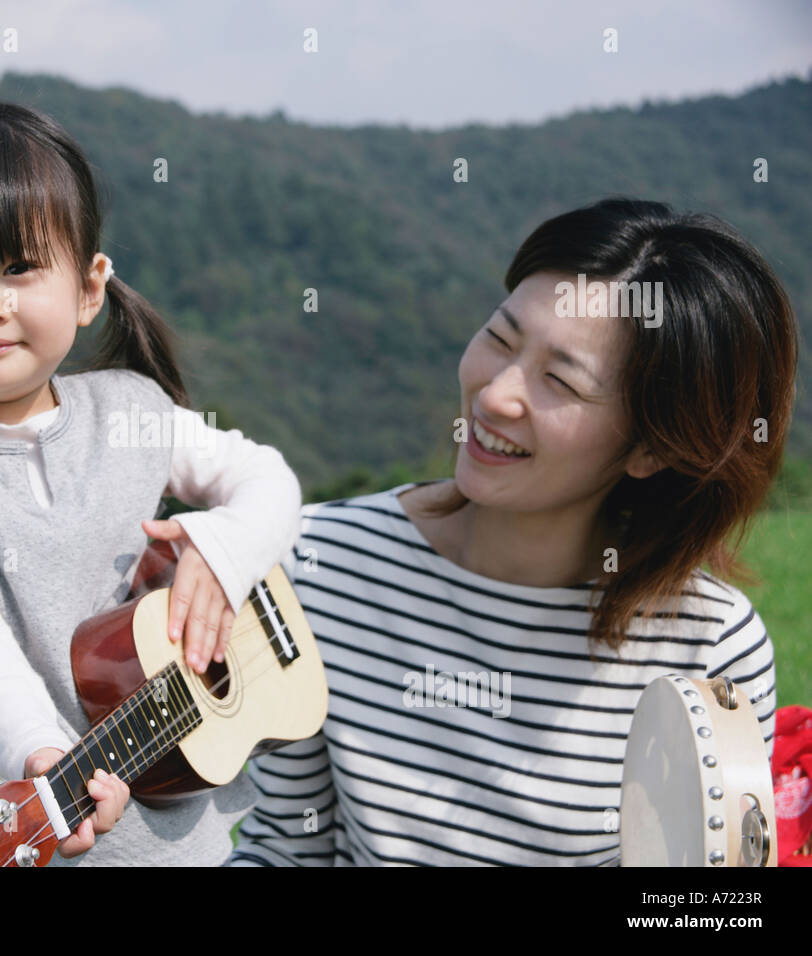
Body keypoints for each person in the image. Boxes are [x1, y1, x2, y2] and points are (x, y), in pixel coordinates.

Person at [227, 198, 796, 866]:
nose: (497, 394)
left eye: (560, 380)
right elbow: (288, 850)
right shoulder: (318, 563)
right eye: (500, 337)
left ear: (649, 449)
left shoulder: (710, 649)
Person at [0, 103, 301, 866]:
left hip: (179, 845)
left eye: (16, 268)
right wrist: (38, 752)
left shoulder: (132, 410)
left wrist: (223, 554)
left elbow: (265, 479)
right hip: (13, 823)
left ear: (88, 285)